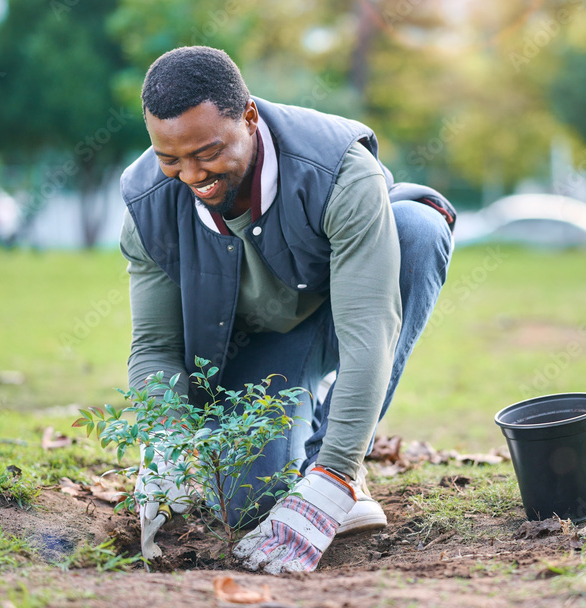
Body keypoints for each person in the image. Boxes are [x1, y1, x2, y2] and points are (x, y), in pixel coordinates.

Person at [119, 46, 455, 574]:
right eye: (170, 159)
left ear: (249, 117)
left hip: (344, 310)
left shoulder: (339, 169)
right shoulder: (148, 206)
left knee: (417, 230)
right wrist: (166, 443)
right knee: (251, 502)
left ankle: (334, 464)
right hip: (257, 346)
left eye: (207, 153)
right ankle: (292, 461)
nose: (190, 175)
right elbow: (155, 347)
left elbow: (369, 330)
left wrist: (333, 478)